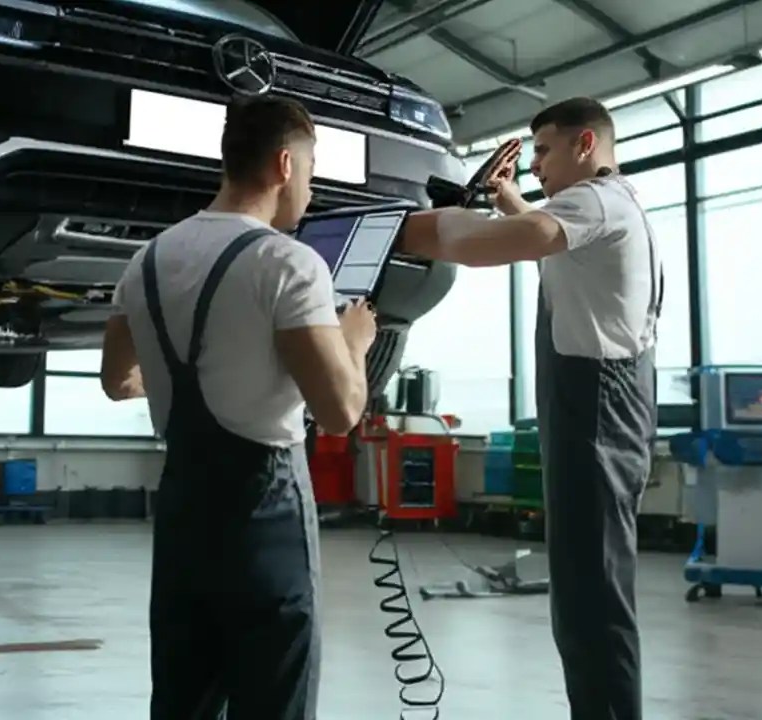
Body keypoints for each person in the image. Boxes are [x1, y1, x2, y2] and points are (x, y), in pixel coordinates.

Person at [99, 94, 378, 719]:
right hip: (265, 517)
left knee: (183, 699)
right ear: (284, 165)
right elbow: (338, 412)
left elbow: (118, 380)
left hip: (182, 515)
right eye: (310, 170)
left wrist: (190, 379)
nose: (309, 188)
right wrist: (353, 343)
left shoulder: (146, 261)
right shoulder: (289, 264)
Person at [399, 96, 661, 719]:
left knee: (591, 599)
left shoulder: (595, 201)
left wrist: (413, 225)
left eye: (544, 150)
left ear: (586, 145)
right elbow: (548, 235)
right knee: (587, 590)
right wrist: (509, 201)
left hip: (597, 411)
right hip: (606, 406)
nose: (536, 165)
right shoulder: (611, 206)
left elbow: (506, 243)